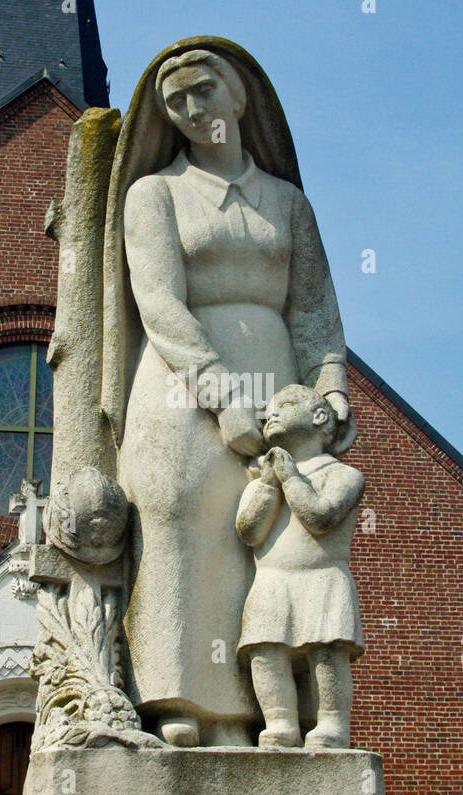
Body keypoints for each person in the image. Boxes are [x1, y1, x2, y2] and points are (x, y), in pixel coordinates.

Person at [101, 39, 354, 746]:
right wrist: (224, 398)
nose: (189, 107)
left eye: (202, 89)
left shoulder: (288, 204)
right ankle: (184, 702)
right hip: (182, 388)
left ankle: (261, 715)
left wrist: (331, 392)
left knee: (267, 539)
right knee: (187, 521)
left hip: (277, 379)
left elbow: (314, 311)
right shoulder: (155, 195)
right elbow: (159, 304)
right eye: (173, 100)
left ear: (239, 95)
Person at [235, 385, 365, 749]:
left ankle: (332, 724)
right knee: (265, 651)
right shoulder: (264, 478)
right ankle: (280, 722)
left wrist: (291, 478)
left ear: (319, 417)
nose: (272, 414)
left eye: (286, 405)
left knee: (325, 650)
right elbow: (248, 532)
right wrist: (267, 485)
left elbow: (321, 518)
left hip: (322, 577)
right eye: (270, 410)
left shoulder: (342, 475)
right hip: (273, 579)